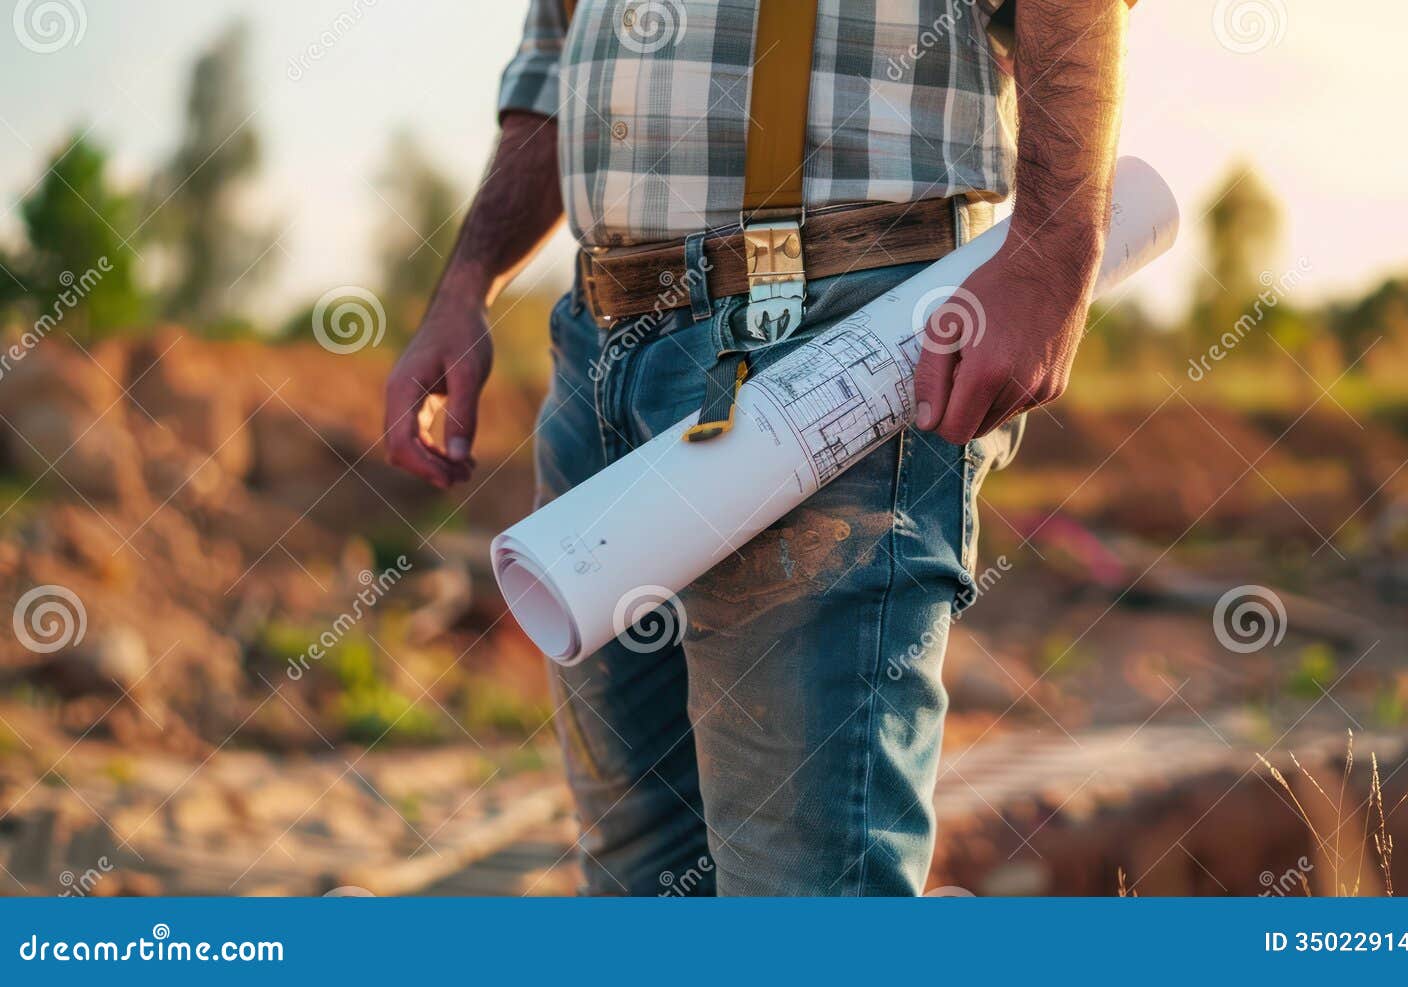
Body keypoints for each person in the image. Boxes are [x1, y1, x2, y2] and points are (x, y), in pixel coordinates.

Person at [383, 0, 1130, 895]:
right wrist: (465, 282)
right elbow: (552, 56)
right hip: (597, 346)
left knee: (805, 892)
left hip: (831, 329)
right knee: (642, 873)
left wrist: (1057, 245)